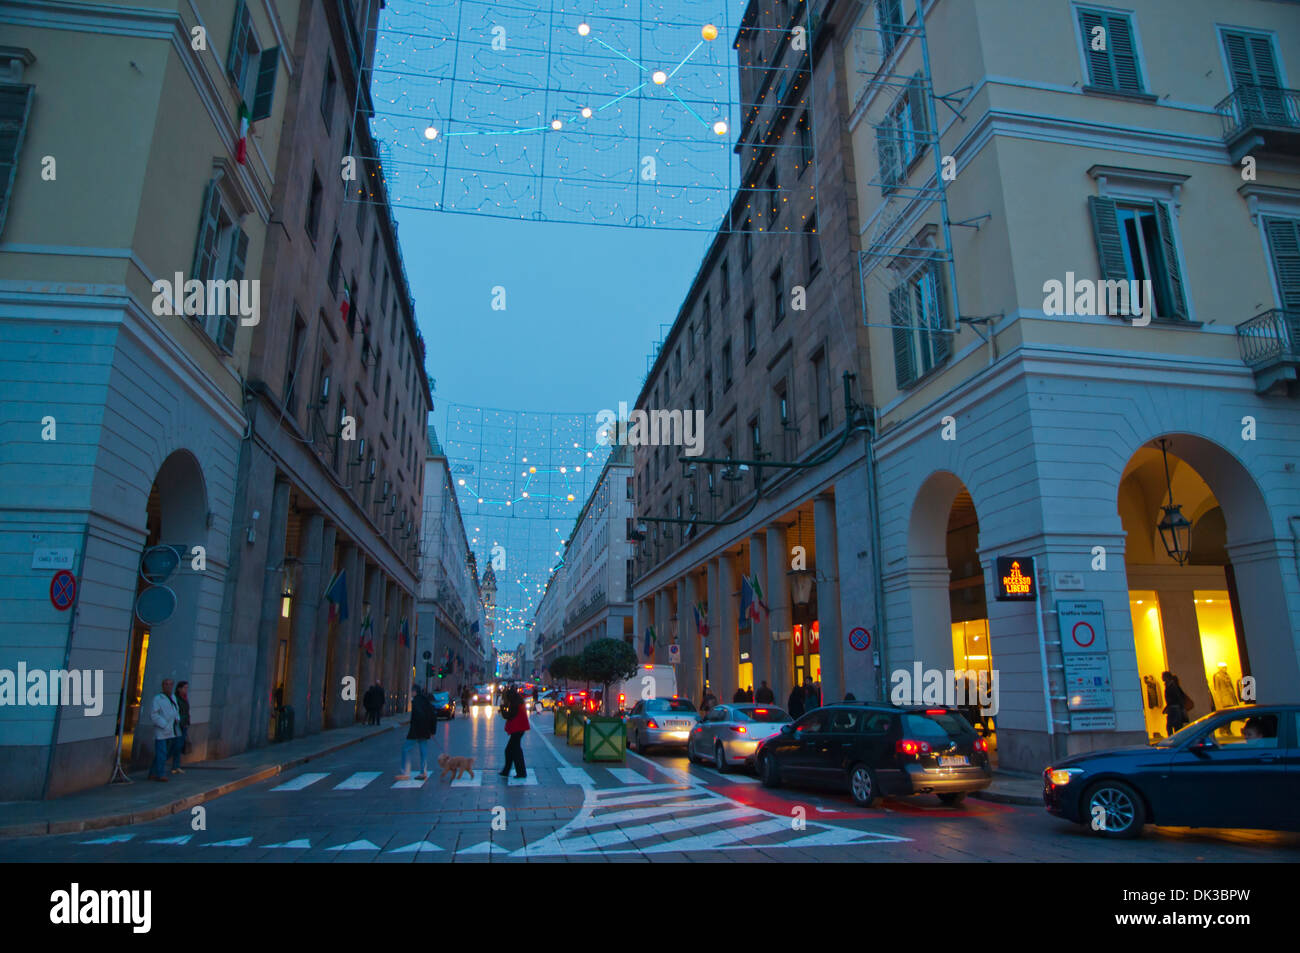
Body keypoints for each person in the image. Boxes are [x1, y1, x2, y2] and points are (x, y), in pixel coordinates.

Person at [397, 687, 436, 780]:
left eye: (412, 692)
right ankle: (423, 772)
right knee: (423, 751)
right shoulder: (426, 701)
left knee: (406, 749)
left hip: (416, 730)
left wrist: (416, 728)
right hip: (425, 731)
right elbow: (433, 715)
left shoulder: (416, 702)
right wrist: (432, 730)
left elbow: (418, 716)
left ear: (415, 692)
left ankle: (405, 772)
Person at [147, 678, 181, 782]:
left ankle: (153, 772)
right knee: (162, 752)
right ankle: (161, 774)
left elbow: (175, 710)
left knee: (166, 753)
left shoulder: (173, 697)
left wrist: (177, 719)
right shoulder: (158, 698)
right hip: (162, 730)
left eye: (170, 684)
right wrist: (164, 724)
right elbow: (154, 714)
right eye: (166, 684)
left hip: (172, 729)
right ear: (163, 686)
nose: (168, 686)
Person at [500, 685, 530, 779]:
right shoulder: (517, 701)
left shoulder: (515, 704)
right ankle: (507, 771)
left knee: (513, 750)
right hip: (520, 729)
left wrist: (502, 709)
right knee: (512, 750)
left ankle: (520, 772)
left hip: (518, 729)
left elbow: (509, 716)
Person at [1161, 671, 1192, 736]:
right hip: (1174, 708)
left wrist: (1168, 707)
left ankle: (1174, 739)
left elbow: (1176, 698)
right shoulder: (1170, 685)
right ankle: (1175, 738)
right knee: (1174, 726)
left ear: (1166, 677)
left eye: (1163, 676)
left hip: (1174, 709)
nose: (1161, 678)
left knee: (1174, 726)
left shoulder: (1172, 686)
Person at [170, 680, 191, 774]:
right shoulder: (176, 698)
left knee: (179, 745)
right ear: (179, 689)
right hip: (178, 724)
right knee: (176, 745)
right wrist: (181, 721)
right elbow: (177, 712)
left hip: (184, 724)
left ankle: (176, 765)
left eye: (187, 688)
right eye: (185, 688)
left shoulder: (185, 698)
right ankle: (174, 765)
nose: (186, 689)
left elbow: (186, 711)